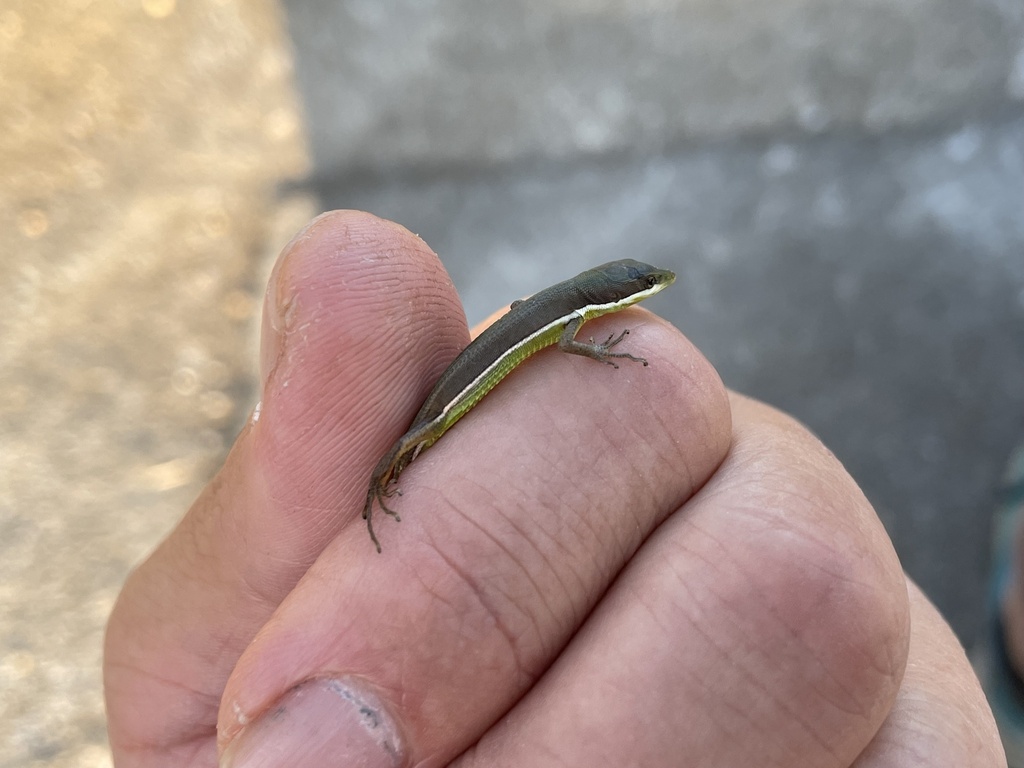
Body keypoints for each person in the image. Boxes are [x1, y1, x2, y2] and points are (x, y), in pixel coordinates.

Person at [103, 211, 1005, 767]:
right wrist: (380, 479)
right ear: (609, 298)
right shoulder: (572, 324)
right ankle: (384, 484)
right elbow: (562, 341)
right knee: (415, 444)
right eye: (642, 288)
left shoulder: (573, 317)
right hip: (446, 404)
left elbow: (566, 337)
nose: (653, 293)